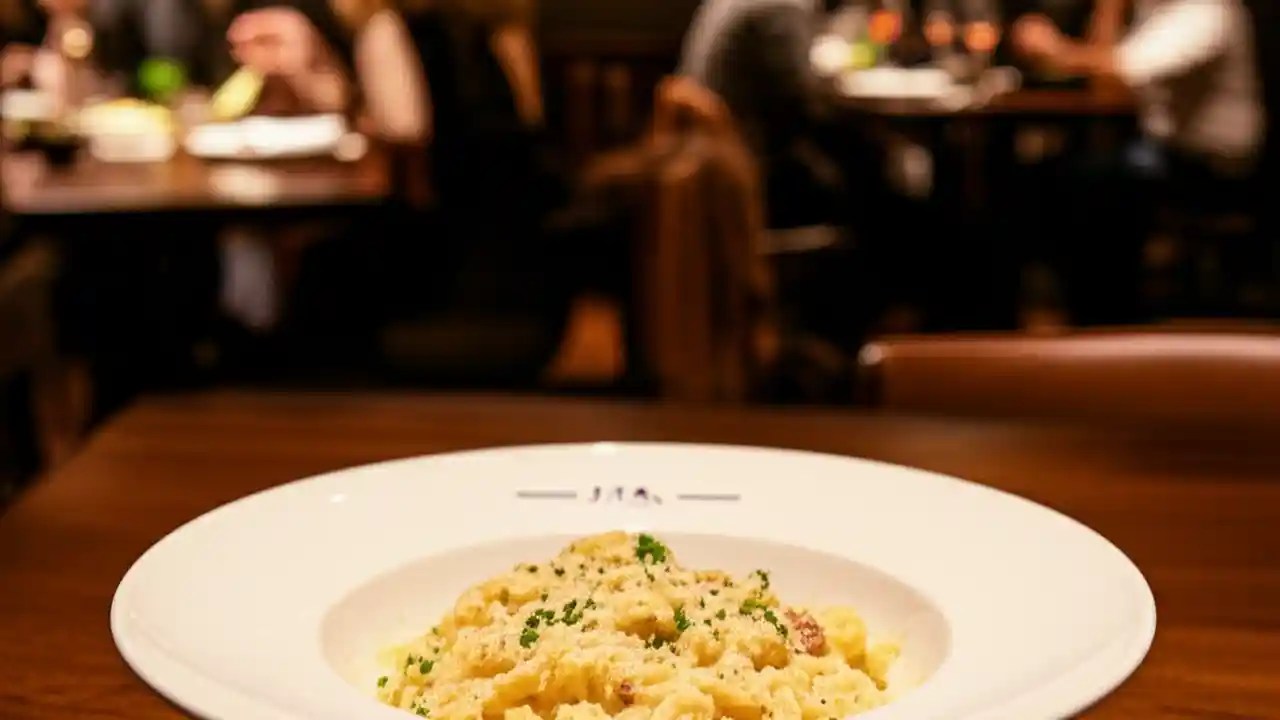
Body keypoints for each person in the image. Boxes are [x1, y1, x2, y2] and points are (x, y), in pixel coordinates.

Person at [1007, 0, 1264, 323]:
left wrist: (1054, 49)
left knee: (1091, 182)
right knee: (1059, 177)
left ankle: (1110, 318)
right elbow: (1105, 82)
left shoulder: (1207, 9)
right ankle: (1093, 313)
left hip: (1215, 163)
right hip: (1169, 151)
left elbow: (1121, 70)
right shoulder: (1156, 9)